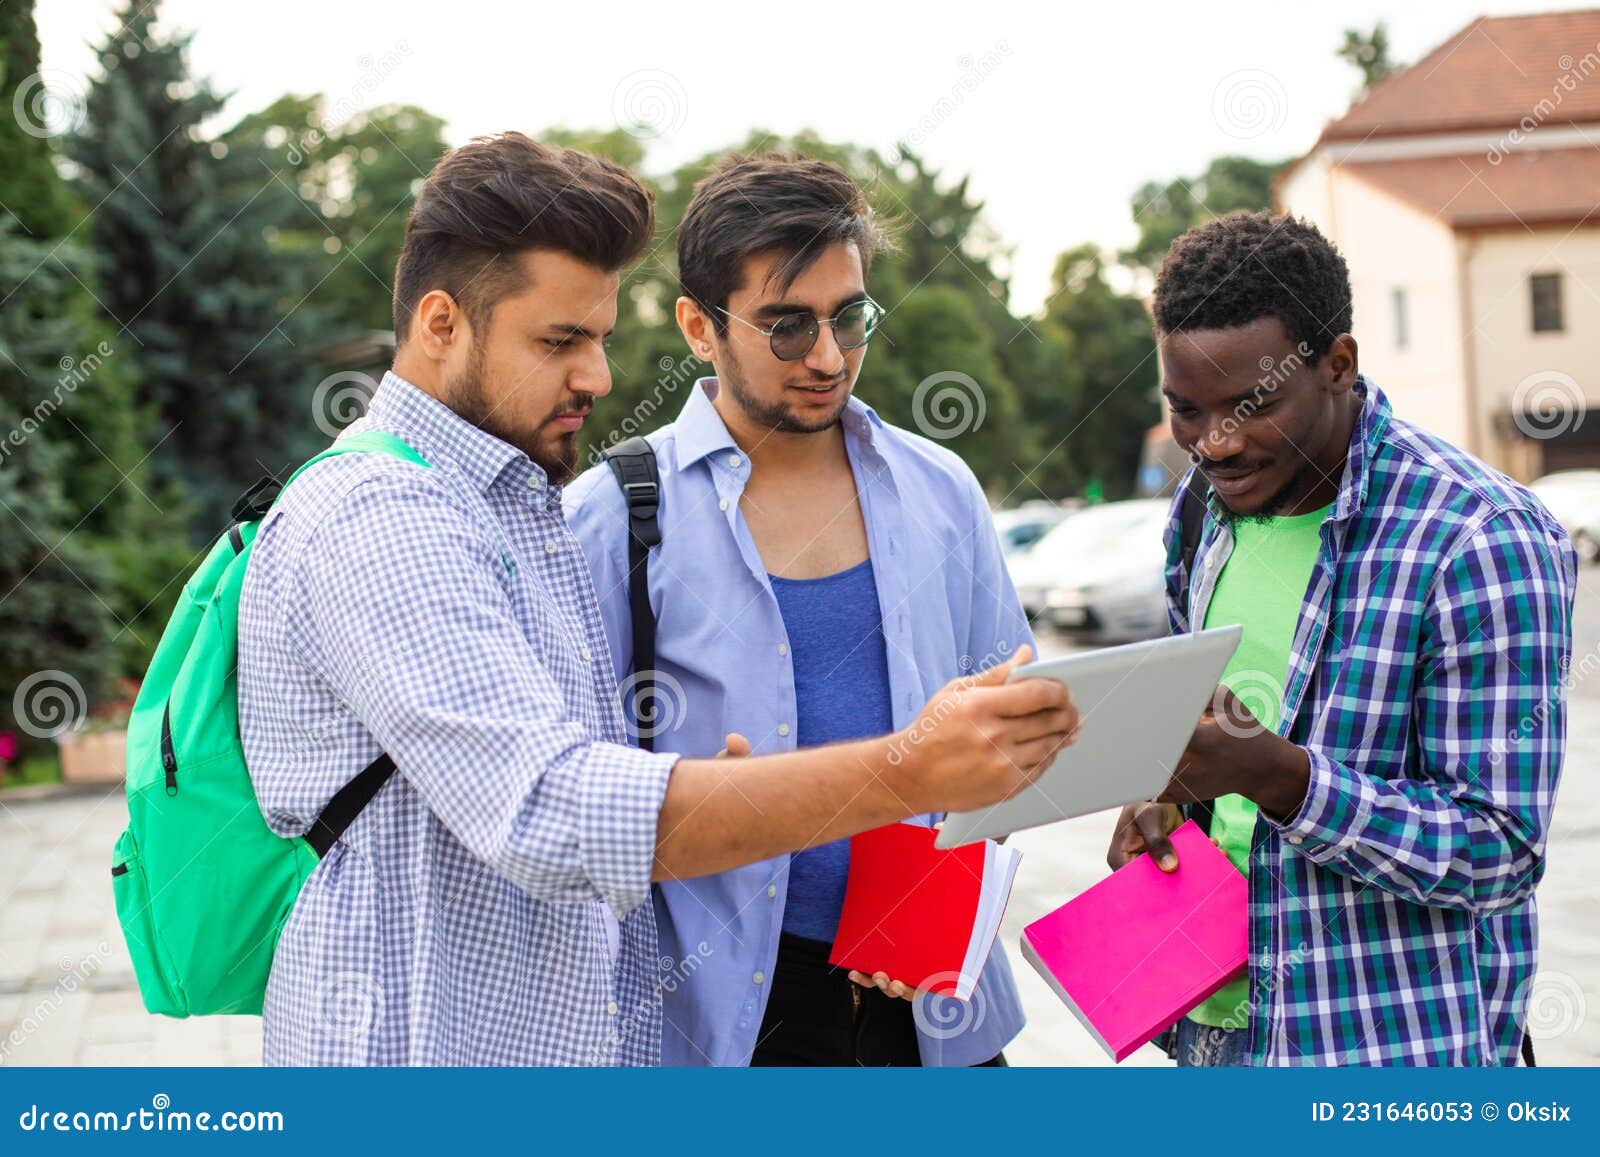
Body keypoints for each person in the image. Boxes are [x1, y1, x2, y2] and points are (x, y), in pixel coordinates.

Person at [236, 133, 1079, 1066]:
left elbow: (589, 764)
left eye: (596, 338)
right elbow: (555, 808)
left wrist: (736, 793)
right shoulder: (386, 519)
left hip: (906, 1008)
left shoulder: (504, 506)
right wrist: (904, 772)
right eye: (561, 341)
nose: (598, 377)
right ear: (441, 324)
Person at [566, 154, 1028, 1067]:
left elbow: (1012, 731)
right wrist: (708, 797)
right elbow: (566, 796)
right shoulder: (610, 517)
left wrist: (950, 900)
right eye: (786, 327)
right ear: (699, 327)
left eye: (849, 317)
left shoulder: (941, 489)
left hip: (938, 1005)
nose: (827, 356)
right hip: (726, 1015)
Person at [1108, 210, 1575, 1067]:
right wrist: (1171, 804)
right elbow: (1207, 753)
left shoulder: (1480, 538)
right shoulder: (1201, 511)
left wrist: (1284, 779)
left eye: (1251, 407)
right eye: (1185, 410)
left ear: (1339, 365)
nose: (1215, 443)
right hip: (1210, 1030)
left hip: (1386, 1058)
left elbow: (1499, 852)